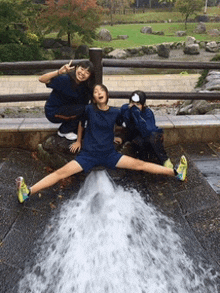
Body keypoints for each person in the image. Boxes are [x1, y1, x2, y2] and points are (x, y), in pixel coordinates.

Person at [16, 84, 187, 204]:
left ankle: (176, 172)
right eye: (95, 91)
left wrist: (131, 109)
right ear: (94, 97)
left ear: (106, 94)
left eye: (101, 90)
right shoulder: (89, 110)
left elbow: (125, 123)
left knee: (140, 164)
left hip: (109, 154)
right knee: (61, 173)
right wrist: (78, 140)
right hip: (88, 155)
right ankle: (27, 191)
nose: (98, 92)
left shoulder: (115, 112)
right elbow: (81, 125)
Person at [39, 60, 95, 140]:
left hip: (67, 110)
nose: (83, 73)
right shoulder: (65, 79)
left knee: (87, 108)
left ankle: (70, 129)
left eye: (87, 72)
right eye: (82, 69)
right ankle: (64, 131)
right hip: (53, 111)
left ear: (90, 76)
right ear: (76, 68)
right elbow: (41, 79)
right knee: (85, 109)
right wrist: (59, 72)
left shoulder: (84, 87)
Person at [120, 90, 174, 168]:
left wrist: (137, 115)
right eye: (132, 103)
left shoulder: (148, 113)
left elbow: (146, 131)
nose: (134, 106)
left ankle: (165, 161)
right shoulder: (126, 109)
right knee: (138, 142)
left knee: (152, 138)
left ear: (143, 105)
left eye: (138, 104)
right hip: (136, 137)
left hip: (149, 135)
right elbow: (119, 120)